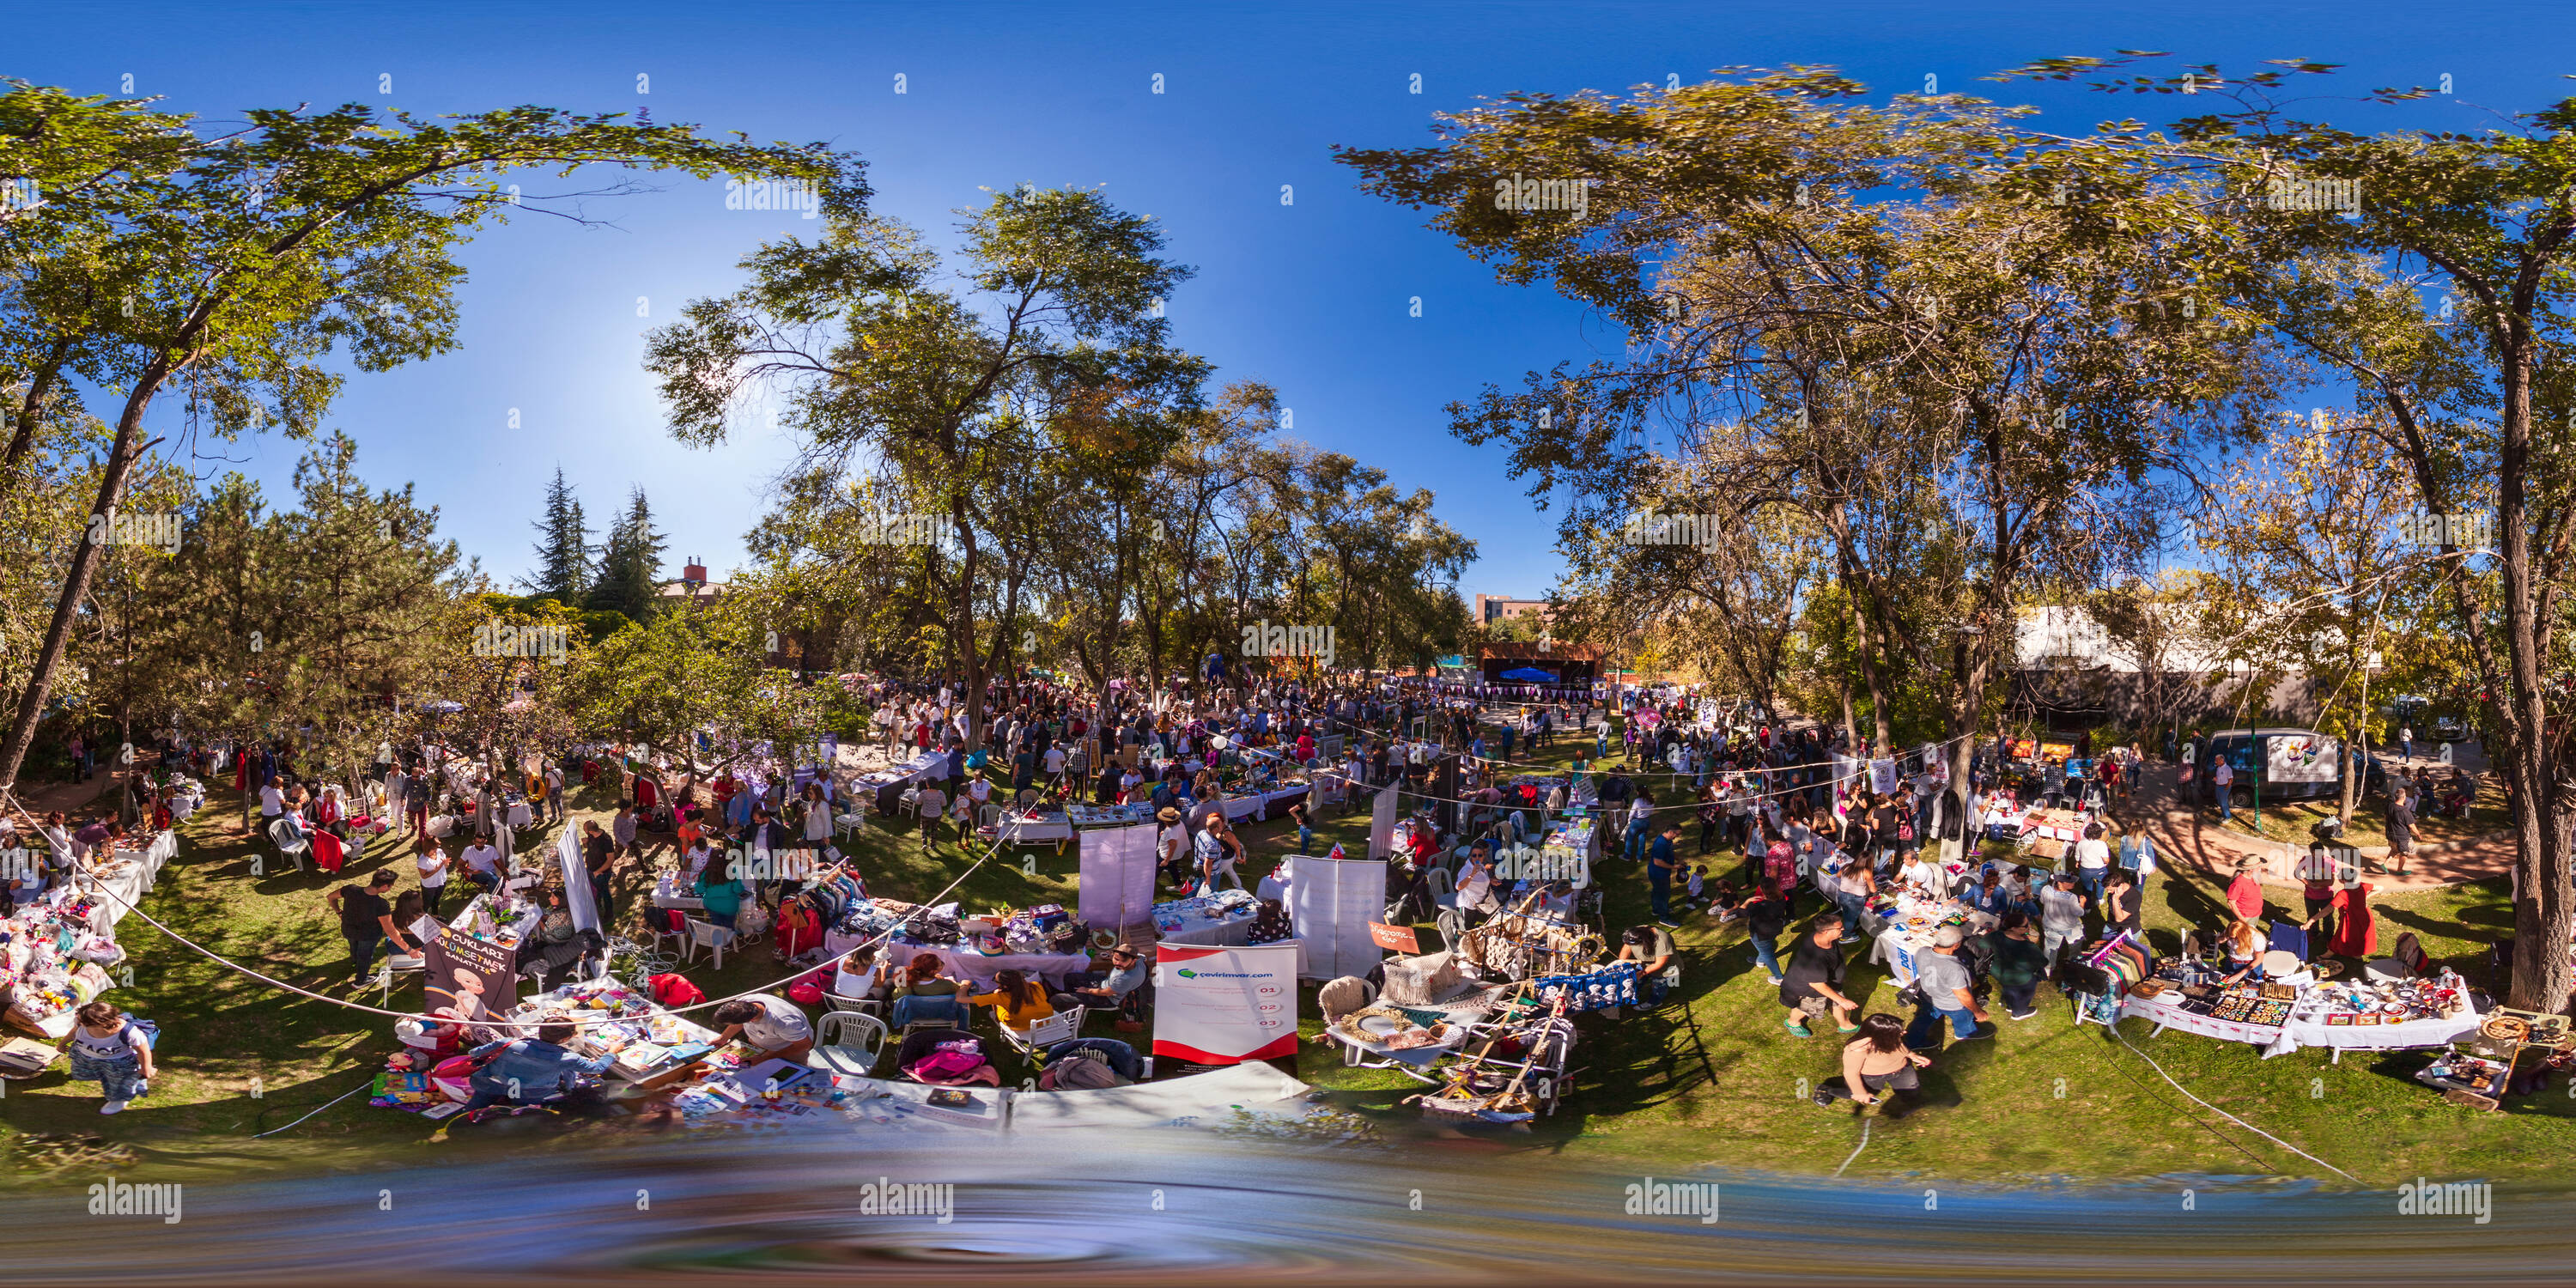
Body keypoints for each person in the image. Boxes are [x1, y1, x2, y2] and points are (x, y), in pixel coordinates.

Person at [461, 1020, 612, 1118]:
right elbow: (597, 1068)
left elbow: (473, 1053)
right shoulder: (568, 1058)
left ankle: (467, 1117)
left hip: (492, 1082)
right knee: (522, 1107)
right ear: (565, 1039)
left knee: (480, 1100)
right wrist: (611, 1052)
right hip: (531, 1090)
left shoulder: (508, 1043)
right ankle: (518, 1115)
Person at [1813, 1012, 1931, 1116]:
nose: (1904, 1032)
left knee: (1911, 1093)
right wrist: (1859, 1092)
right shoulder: (1858, 1049)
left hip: (1902, 1070)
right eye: (1900, 1031)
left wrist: (1912, 1055)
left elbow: (1900, 1046)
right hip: (1873, 1077)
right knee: (1853, 1093)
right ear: (1881, 1035)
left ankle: (1910, 1103)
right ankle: (1826, 1090)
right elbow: (1851, 1073)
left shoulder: (1890, 1036)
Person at [1904, 926, 1989, 1051]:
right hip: (1952, 1004)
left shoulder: (1922, 951)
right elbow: (1963, 995)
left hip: (1929, 998)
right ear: (1956, 945)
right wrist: (1977, 1011)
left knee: (1923, 1020)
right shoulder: (1954, 968)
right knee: (1964, 1018)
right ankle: (1964, 1033)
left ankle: (1911, 1042)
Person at [63, 1000, 154, 1115]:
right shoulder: (82, 1021)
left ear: (102, 1023)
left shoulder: (129, 1033)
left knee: (119, 1083)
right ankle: (103, 1076)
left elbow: (144, 1052)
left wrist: (146, 1068)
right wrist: (62, 1044)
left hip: (117, 1064)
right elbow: (74, 1032)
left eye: (85, 1022)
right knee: (89, 1073)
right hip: (85, 1057)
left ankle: (120, 1099)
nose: (79, 1021)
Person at [328, 870, 411, 988]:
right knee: (365, 957)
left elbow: (330, 897)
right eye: (391, 886)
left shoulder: (351, 889)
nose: (391, 888)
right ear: (384, 886)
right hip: (368, 936)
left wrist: (339, 911)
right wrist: (409, 950)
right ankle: (360, 981)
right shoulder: (381, 904)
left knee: (354, 946)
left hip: (348, 930)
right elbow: (390, 931)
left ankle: (355, 960)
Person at [1779, 914, 1859, 1037]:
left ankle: (1845, 1025)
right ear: (1827, 932)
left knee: (1837, 1000)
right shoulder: (1816, 958)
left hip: (1831, 981)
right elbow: (1817, 984)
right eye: (1840, 928)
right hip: (1810, 990)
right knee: (1807, 1008)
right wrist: (1842, 1000)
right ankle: (1792, 1022)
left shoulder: (1823, 938)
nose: (1843, 929)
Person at [709, 994, 815, 1065]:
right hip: (762, 1044)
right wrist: (723, 1038)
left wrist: (766, 1058)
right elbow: (738, 1022)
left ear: (751, 1020)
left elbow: (804, 1045)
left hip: (789, 1052)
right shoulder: (744, 1003)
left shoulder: (784, 1023)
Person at [1986, 913, 2049, 1019]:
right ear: (2015, 928)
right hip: (2021, 977)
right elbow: (2042, 962)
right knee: (2023, 996)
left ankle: (2010, 1004)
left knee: (2009, 989)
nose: (2029, 926)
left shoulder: (1997, 935)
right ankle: (2019, 1012)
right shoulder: (2027, 946)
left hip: (2001, 971)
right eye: (2026, 926)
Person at [968, 968, 1057, 1032]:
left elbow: (961, 999)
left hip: (1019, 1026)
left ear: (1005, 986)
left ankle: (997, 1018)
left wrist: (965, 985)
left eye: (996, 981)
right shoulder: (1036, 985)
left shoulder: (1000, 997)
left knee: (996, 1000)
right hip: (1046, 1020)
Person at [1613, 923, 1677, 1012]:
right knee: (1634, 981)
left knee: (1659, 985)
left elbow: (1660, 963)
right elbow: (1626, 948)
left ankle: (1655, 1002)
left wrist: (1642, 973)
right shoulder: (1634, 933)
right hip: (1644, 963)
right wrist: (1621, 963)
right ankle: (1629, 997)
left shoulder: (1662, 940)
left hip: (1665, 967)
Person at [1742, 884, 1790, 985]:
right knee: (1765, 949)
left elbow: (1741, 912)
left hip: (1760, 934)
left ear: (1763, 892)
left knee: (1768, 955)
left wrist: (1747, 901)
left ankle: (1779, 979)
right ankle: (1760, 962)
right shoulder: (1781, 899)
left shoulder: (1758, 906)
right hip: (1774, 930)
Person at [692, 853, 754, 931]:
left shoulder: (706, 872)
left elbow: (699, 889)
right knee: (729, 927)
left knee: (716, 924)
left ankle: (717, 936)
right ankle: (728, 939)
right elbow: (738, 890)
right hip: (730, 907)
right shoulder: (732, 870)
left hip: (712, 906)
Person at [1647, 822, 1680, 927]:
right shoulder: (1661, 844)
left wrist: (1679, 859)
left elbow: (1671, 851)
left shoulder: (1668, 840)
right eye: (1677, 834)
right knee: (1664, 895)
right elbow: (1658, 862)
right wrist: (1674, 867)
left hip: (1662, 873)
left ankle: (1656, 909)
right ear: (1671, 832)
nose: (1677, 837)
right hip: (1658, 874)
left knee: (1657, 892)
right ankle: (1664, 918)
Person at [2101, 870, 2143, 937]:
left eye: (2111, 889)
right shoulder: (2114, 891)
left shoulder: (2135, 896)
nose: (2109, 892)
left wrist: (2115, 899)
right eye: (2107, 890)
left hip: (2128, 931)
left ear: (2120, 886)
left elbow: (2119, 919)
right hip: (2111, 927)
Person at [2225, 858, 2263, 922]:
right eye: (2258, 867)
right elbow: (2231, 903)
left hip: (2255, 914)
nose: (2260, 868)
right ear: (2251, 869)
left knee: (2251, 931)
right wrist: (2242, 919)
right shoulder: (2238, 883)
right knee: (2242, 932)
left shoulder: (2254, 877)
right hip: (2245, 917)